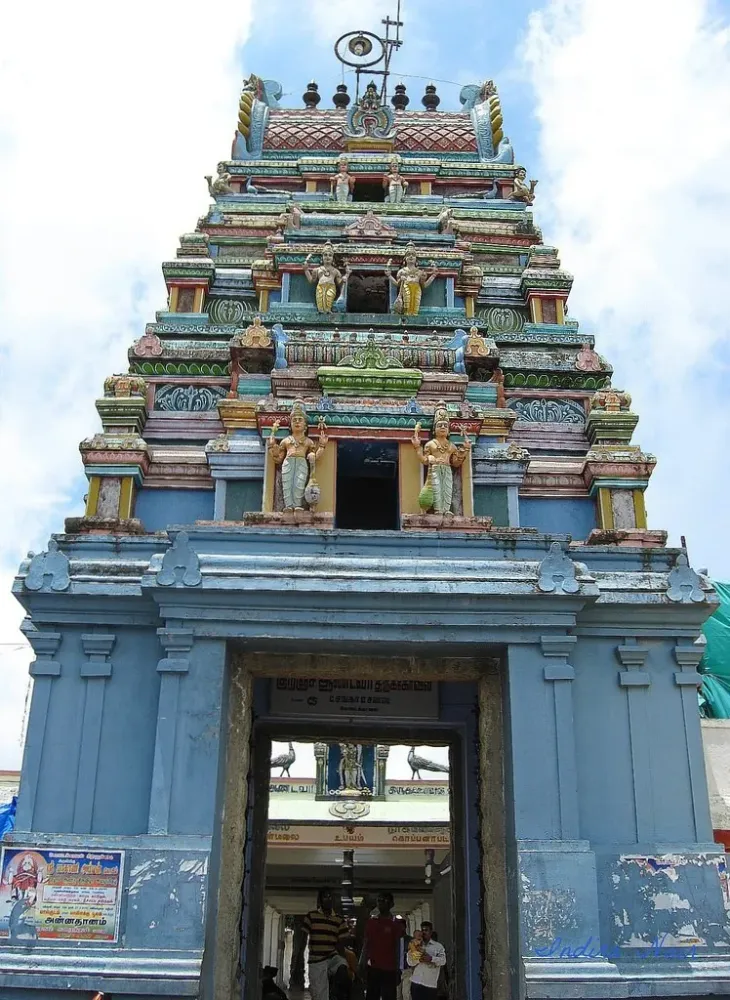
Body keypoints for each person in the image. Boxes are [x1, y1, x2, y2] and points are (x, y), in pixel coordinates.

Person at [303, 889, 350, 1000]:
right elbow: (303, 938)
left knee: (342, 968)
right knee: (320, 995)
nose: (328, 899)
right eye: (325, 897)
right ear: (320, 900)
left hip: (332, 957)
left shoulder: (339, 920)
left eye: (330, 897)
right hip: (317, 960)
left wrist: (346, 962)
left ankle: (335, 994)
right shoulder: (311, 916)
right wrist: (299, 959)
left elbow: (341, 944)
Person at [359, 892, 406, 1000]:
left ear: (391, 904)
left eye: (384, 901)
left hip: (390, 969)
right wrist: (362, 962)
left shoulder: (396, 924)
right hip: (373, 967)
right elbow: (366, 943)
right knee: (371, 996)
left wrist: (399, 969)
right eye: (379, 901)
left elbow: (399, 947)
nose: (380, 903)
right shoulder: (371, 922)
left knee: (389, 997)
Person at [406, 922, 446, 1000]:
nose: (424, 932)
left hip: (430, 984)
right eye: (422, 930)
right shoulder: (415, 945)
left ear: (431, 932)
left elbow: (443, 961)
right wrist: (418, 960)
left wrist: (431, 959)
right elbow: (409, 962)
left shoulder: (438, 946)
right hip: (416, 982)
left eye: (426, 930)